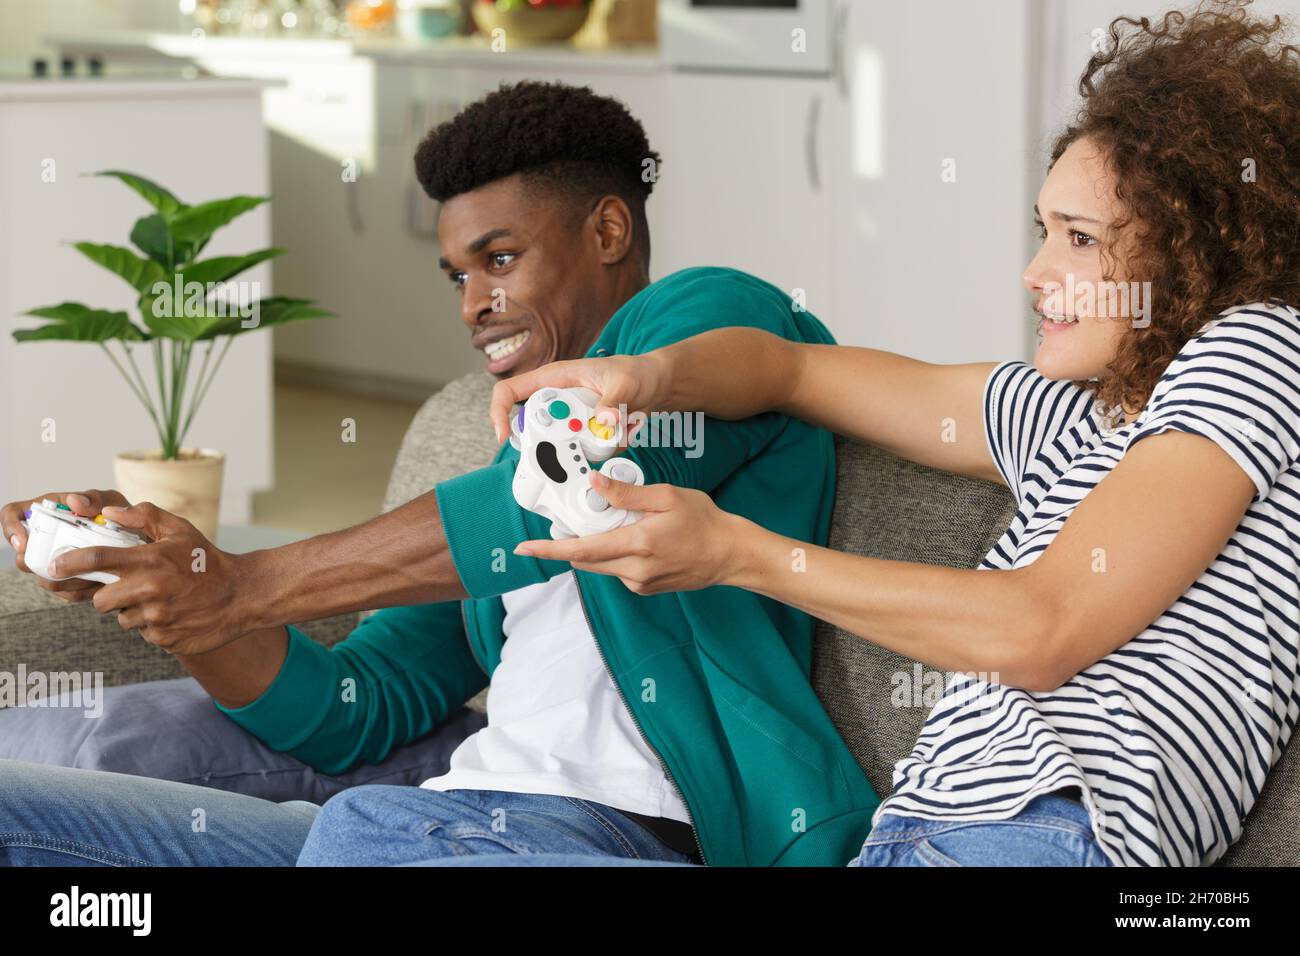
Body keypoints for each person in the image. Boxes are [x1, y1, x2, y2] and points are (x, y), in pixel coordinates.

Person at [488, 2, 1300, 867]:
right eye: (1043, 230)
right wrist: (646, 375)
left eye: (1081, 238)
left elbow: (1042, 628)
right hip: (919, 835)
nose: (1035, 271)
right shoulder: (1079, 417)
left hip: (1045, 834)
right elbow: (789, 370)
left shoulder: (1258, 346)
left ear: (1195, 250)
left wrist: (736, 553)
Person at [0, 81, 878, 867]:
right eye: (457, 275)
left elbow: (576, 485)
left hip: (601, 836)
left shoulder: (715, 321)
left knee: (361, 831)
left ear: (608, 230)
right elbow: (351, 710)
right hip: (435, 827)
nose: (471, 305)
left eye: (500, 260)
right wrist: (182, 599)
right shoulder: (485, 513)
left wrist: (246, 583)